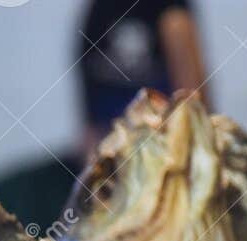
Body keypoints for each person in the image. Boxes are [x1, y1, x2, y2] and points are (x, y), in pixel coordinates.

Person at [78, 0, 208, 156]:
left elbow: (195, 105)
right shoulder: (97, 14)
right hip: (113, 148)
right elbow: (90, 131)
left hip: (167, 147)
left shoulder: (173, 18)